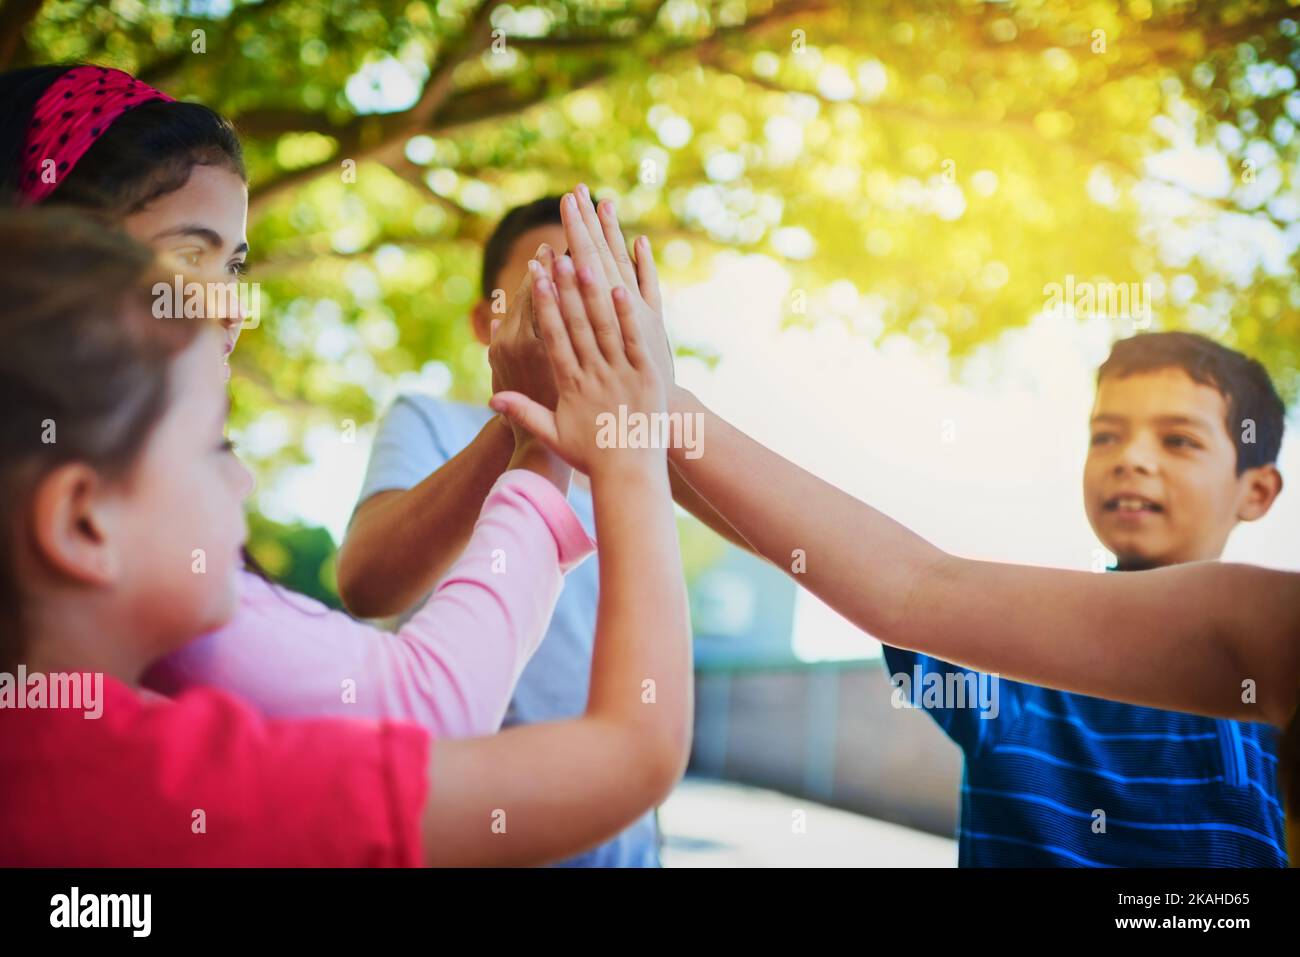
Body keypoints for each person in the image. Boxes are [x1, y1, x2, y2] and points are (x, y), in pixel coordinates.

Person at [502, 188, 1300, 865]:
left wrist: (645, 416)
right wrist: (639, 413)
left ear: (1259, 490)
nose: (1133, 460)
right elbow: (891, 580)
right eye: (1107, 435)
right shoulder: (1020, 655)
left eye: (1179, 441)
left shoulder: (1265, 650)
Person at [0, 209, 691, 866]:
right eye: (217, 445)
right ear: (82, 522)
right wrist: (629, 444)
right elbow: (633, 754)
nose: (244, 480)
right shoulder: (180, 784)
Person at [0, 63, 579, 740]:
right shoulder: (131, 527)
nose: (232, 309)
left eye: (234, 267)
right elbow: (419, 708)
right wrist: (539, 433)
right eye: (188, 258)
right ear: (57, 259)